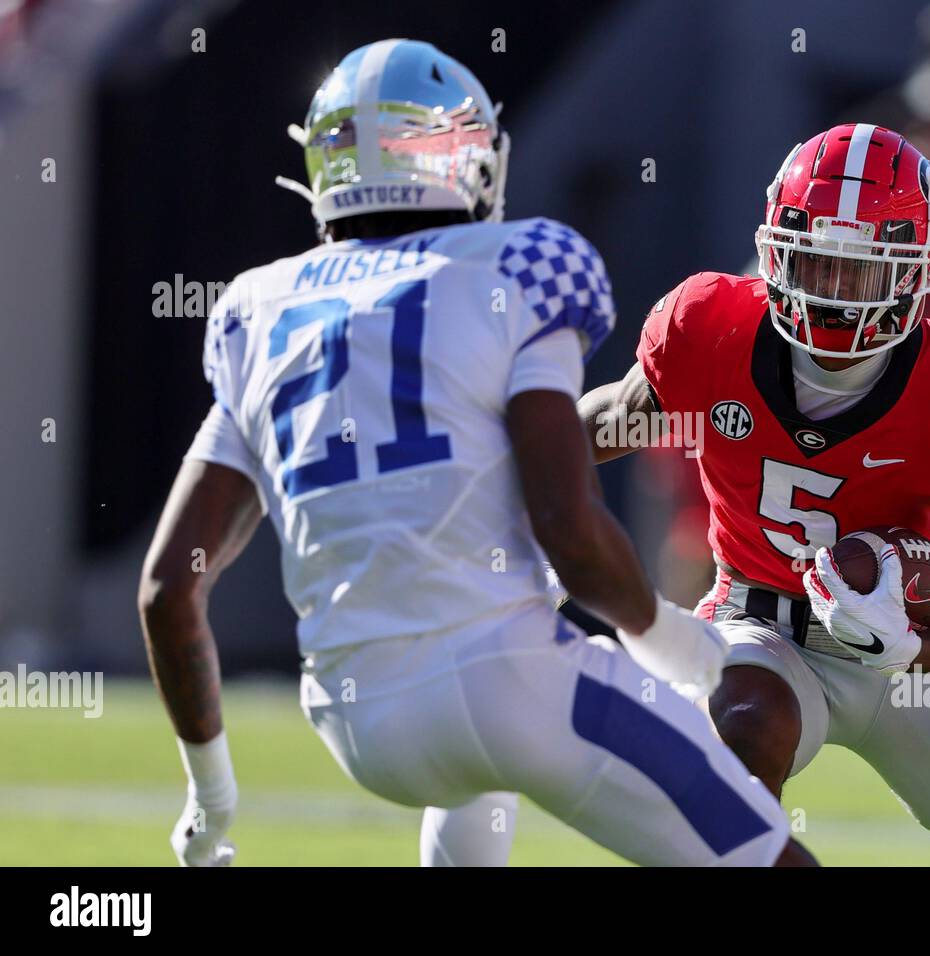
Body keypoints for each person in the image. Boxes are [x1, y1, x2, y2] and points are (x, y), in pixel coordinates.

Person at [138, 39, 809, 868]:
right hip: (508, 684)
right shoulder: (519, 266)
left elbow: (170, 590)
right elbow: (566, 523)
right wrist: (676, 645)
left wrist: (211, 800)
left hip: (356, 721)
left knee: (479, 770)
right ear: (465, 154)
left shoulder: (258, 310)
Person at [434, 124, 930, 866]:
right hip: (759, 622)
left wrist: (913, 650)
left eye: (862, 270)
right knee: (746, 721)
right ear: (777, 249)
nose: (834, 292)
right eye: (816, 260)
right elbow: (603, 423)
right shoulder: (708, 327)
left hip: (902, 657)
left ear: (916, 274)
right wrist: (492, 459)